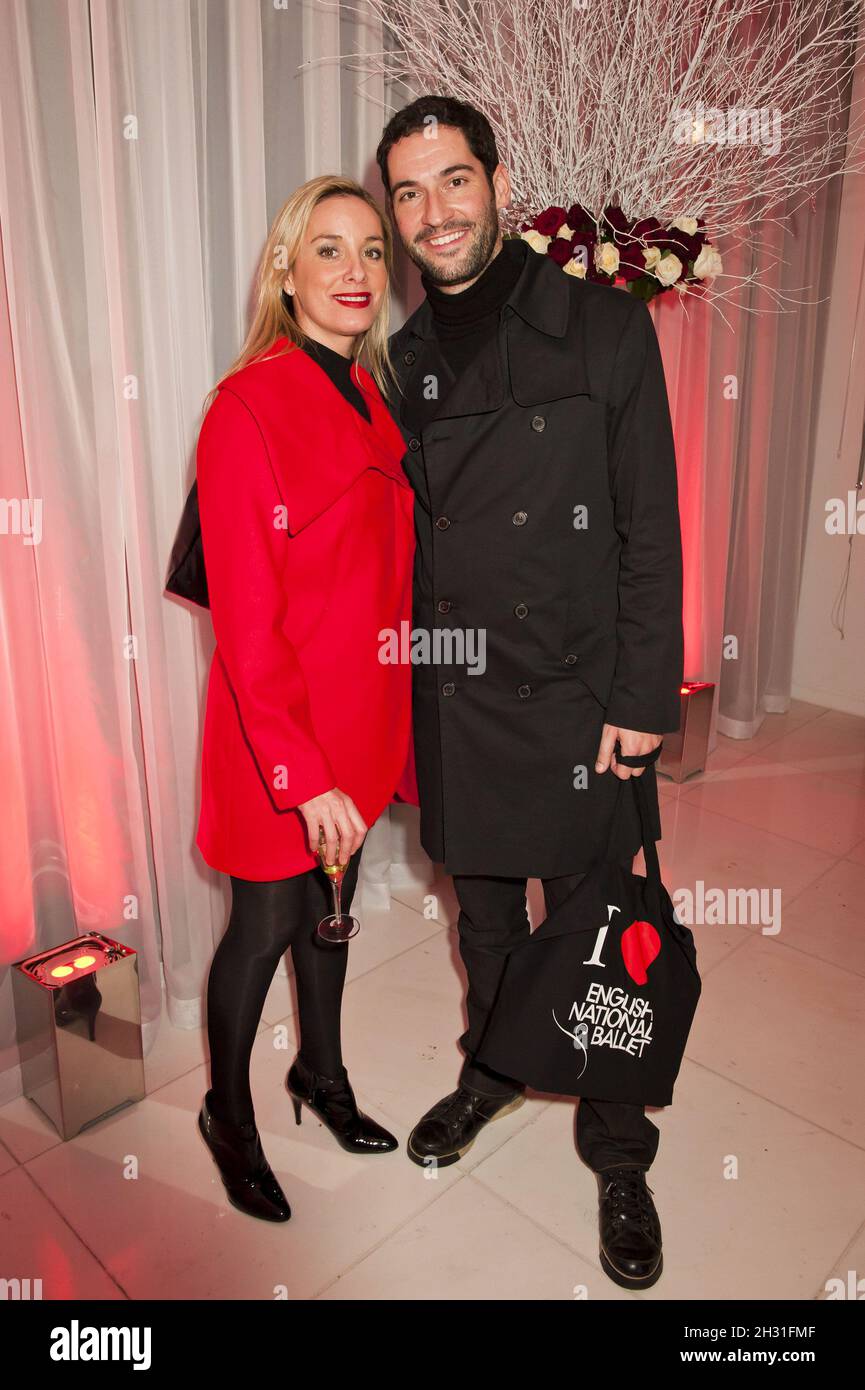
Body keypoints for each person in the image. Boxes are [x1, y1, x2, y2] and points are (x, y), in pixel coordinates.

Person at [377, 96, 684, 1289]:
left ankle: (618, 1151)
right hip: (461, 697)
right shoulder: (405, 359)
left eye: (452, 180)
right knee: (488, 918)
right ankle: (494, 1070)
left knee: (608, 934)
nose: (432, 212)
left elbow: (649, 529)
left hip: (579, 694)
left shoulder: (602, 328)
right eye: (408, 191)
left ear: (498, 182)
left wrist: (642, 693)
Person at [193, 175, 416, 1222]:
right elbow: (245, 618)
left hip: (358, 725)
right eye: (329, 250)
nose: (356, 272)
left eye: (373, 250)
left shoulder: (369, 392)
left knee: (330, 915)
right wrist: (303, 771)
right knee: (267, 923)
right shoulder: (248, 405)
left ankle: (319, 1076)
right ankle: (226, 1116)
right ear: (287, 269)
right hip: (275, 736)